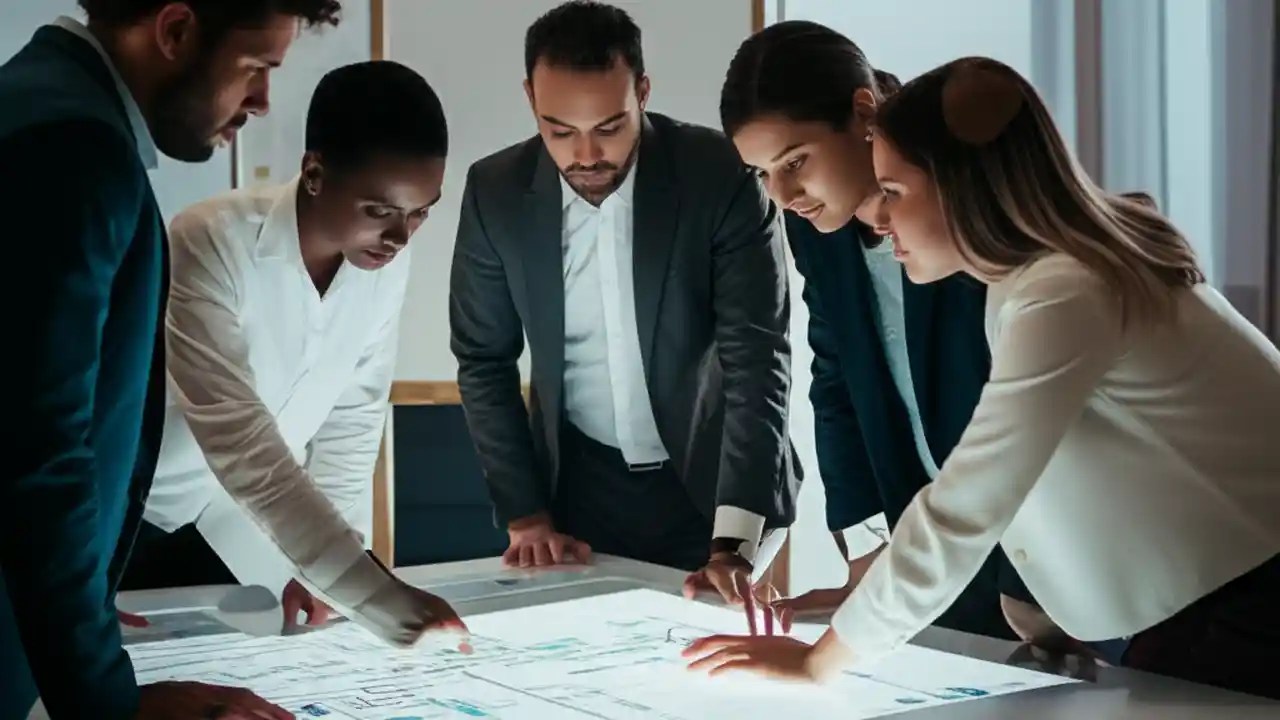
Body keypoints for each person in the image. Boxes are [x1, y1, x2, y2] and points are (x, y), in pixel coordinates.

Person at [686, 55, 1280, 700]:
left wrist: (820, 661)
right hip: (1182, 602)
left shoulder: (1066, 290)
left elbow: (970, 497)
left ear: (961, 185)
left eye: (894, 193)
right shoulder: (1026, 284)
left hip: (1242, 600)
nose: (879, 220)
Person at [0, 1, 342, 718]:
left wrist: (89, 609)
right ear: (176, 31)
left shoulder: (38, 102)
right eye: (254, 67)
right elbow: (38, 453)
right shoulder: (74, 149)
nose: (263, 99)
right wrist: (109, 700)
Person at [450, 0, 799, 603]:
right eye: (560, 131)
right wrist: (526, 514)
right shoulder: (495, 192)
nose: (586, 154)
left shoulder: (720, 174)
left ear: (642, 92)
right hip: (576, 493)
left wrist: (734, 541)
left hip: (714, 482)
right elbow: (484, 359)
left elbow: (757, 357)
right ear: (531, 99)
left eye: (609, 127)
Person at [715, 20, 1050, 645]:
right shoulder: (817, 229)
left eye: (795, 162)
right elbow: (836, 382)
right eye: (761, 173)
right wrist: (866, 557)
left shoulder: (963, 198)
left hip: (1034, 552)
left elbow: (1027, 417)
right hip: (924, 539)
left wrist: (1034, 597)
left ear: (864, 111)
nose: (782, 195)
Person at [119, 60, 469, 650]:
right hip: (130, 520)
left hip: (240, 534)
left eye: (420, 212)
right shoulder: (210, 239)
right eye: (379, 210)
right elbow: (238, 436)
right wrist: (368, 591)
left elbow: (354, 416)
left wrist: (331, 571)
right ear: (314, 174)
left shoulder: (385, 264)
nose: (400, 236)